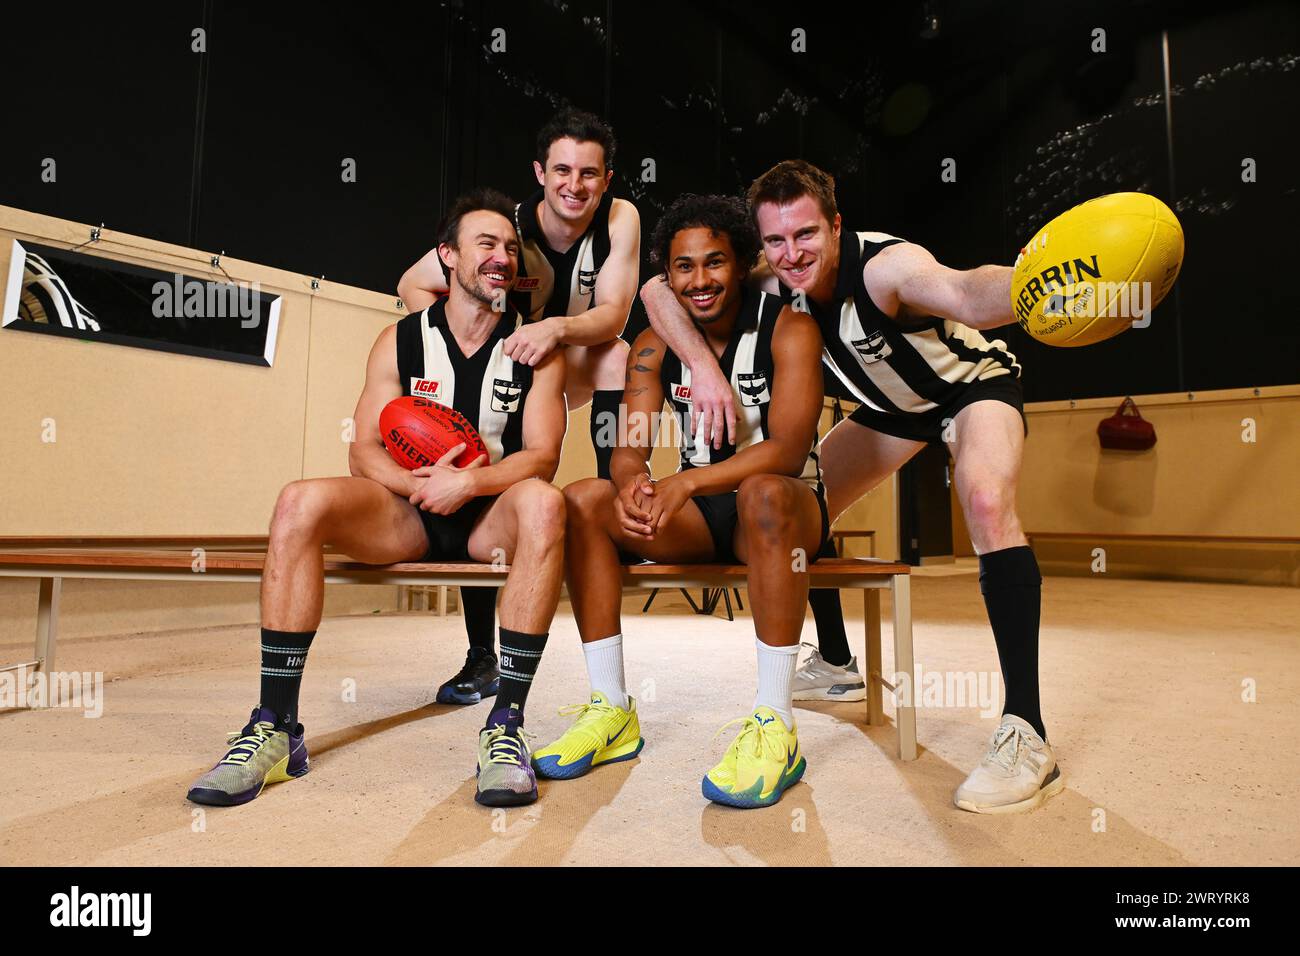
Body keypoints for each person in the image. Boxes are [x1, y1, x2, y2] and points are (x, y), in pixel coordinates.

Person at [641, 160, 1061, 814]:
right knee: (800, 492)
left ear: (837, 226)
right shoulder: (773, 283)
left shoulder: (885, 267)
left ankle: (1026, 731)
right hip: (890, 412)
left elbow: (966, 294)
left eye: (806, 234)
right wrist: (702, 365)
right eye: (775, 242)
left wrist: (1038, 283)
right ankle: (835, 664)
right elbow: (654, 292)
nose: (792, 254)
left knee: (983, 499)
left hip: (969, 388)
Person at [187, 189, 569, 809]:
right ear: (447, 256)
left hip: (487, 518)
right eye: (485, 243)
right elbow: (363, 450)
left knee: (547, 504)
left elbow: (542, 457)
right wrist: (418, 484)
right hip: (406, 515)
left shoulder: (535, 348)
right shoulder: (400, 340)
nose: (500, 257)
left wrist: (467, 482)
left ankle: (506, 727)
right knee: (297, 502)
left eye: (508, 246)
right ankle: (277, 725)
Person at [532, 194, 829, 809]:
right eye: (683, 267)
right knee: (584, 500)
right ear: (666, 275)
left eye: (714, 263)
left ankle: (776, 723)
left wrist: (687, 481)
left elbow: (789, 450)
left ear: (743, 263)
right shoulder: (652, 345)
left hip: (782, 510)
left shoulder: (790, 327)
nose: (700, 281)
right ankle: (611, 708)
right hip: (700, 513)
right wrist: (631, 480)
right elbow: (628, 441)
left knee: (764, 492)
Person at [399, 109, 640, 707]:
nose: (574, 185)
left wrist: (552, 329)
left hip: (565, 352)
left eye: (589, 173)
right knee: (479, 454)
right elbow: (412, 285)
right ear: (540, 172)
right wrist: (460, 351)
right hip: (508, 362)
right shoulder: (505, 229)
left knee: (618, 355)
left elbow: (613, 313)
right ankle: (483, 655)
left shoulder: (620, 219)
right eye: (562, 170)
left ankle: (617, 505)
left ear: (606, 180)